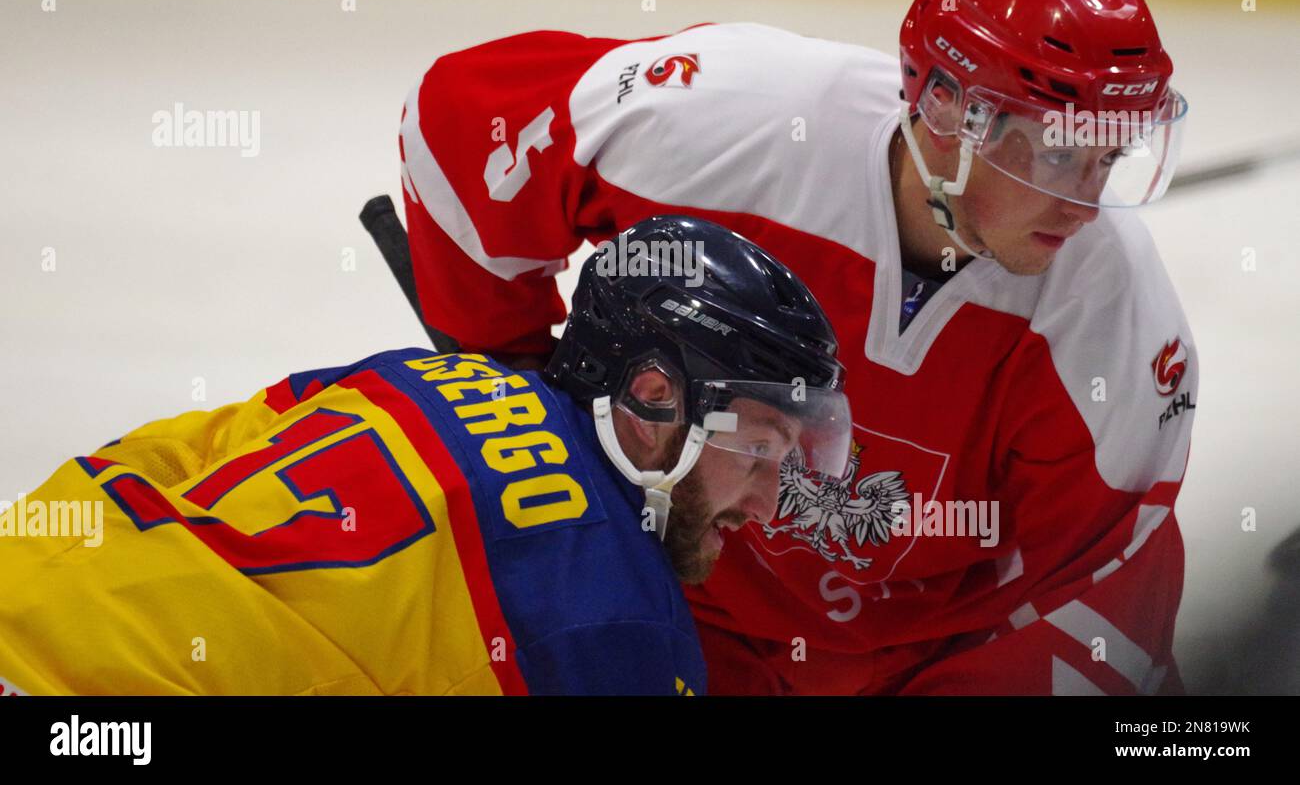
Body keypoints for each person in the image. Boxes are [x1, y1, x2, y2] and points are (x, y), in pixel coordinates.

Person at [397, 0, 1198, 695]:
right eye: (1060, 154)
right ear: (950, 112)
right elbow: (460, 124)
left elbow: (1096, 602)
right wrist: (517, 386)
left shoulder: (1111, 321)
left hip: (929, 661)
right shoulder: (729, 121)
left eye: (1109, 159)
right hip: (667, 603)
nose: (1088, 206)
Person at [0, 216, 849, 695]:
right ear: (654, 399)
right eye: (758, 450)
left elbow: (158, 457)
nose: (770, 500)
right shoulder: (617, 627)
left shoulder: (416, 379)